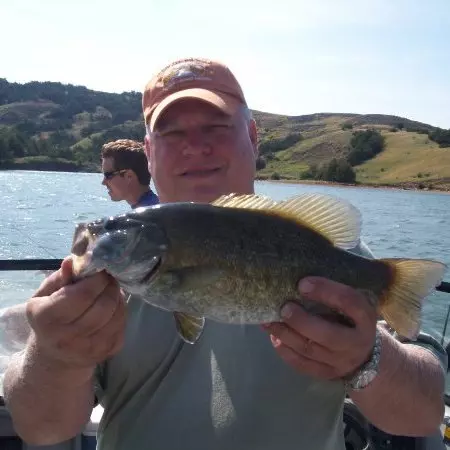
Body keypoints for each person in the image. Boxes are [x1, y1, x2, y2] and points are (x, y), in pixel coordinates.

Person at [3, 57, 446, 450]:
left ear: (253, 138)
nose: (195, 146)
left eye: (215, 127)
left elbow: (424, 414)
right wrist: (55, 355)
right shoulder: (105, 272)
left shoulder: (331, 253)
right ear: (150, 154)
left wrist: (367, 358)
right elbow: (41, 429)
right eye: (171, 133)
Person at [101, 138, 159, 208]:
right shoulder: (156, 207)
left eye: (108, 175)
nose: (103, 182)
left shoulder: (147, 215)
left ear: (129, 176)